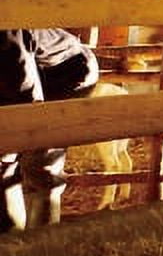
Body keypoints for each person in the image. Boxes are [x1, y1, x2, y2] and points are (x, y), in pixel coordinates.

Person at [1, 27, 100, 231]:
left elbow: (28, 102)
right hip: (24, 79)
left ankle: (41, 251)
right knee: (6, 169)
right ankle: (11, 250)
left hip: (68, 72)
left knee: (39, 164)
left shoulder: (5, 32)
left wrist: (7, 153)